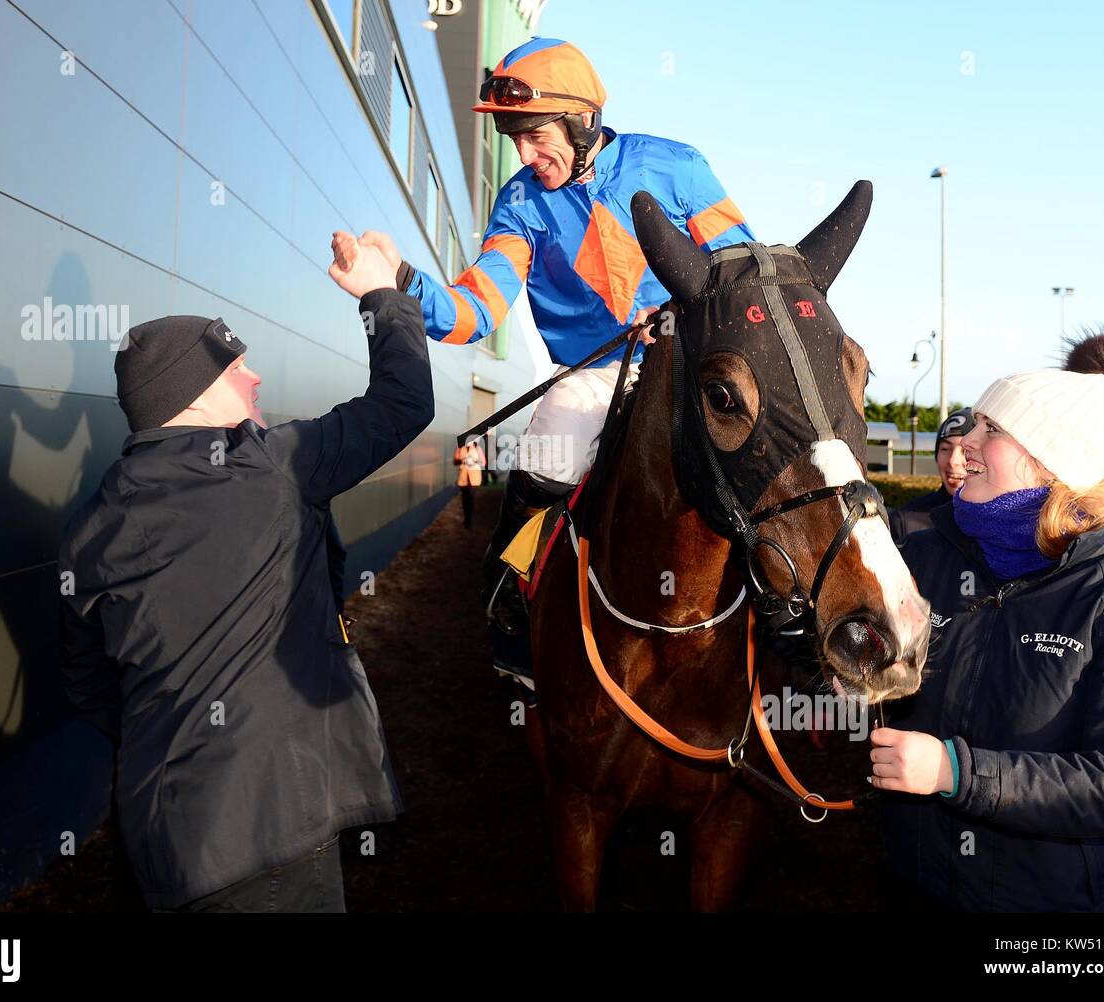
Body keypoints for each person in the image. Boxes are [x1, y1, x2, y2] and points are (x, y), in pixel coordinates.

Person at [333, 38, 756, 678]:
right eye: (514, 138)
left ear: (583, 119)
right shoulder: (520, 203)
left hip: (691, 362)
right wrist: (399, 280)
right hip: (595, 377)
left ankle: (794, 618)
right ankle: (510, 595)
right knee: (551, 445)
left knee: (781, 450)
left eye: (535, 136)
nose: (526, 155)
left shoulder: (675, 166)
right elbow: (474, 312)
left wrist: (684, 317)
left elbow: (741, 272)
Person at [58, 238, 432, 912]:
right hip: (271, 830)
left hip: (160, 841)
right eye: (237, 370)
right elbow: (404, 402)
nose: (256, 380)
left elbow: (89, 687)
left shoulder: (90, 529)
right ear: (195, 399)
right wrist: (383, 296)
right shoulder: (270, 466)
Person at [870, 331, 1104, 912]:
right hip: (920, 887)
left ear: (1048, 463)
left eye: (991, 430)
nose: (964, 445)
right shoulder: (925, 560)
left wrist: (955, 772)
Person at [887, 406, 971, 545]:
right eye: (945, 448)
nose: (952, 461)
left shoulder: (1007, 524)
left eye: (966, 450)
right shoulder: (905, 522)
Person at [454, 436, 487, 529]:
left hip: (474, 477)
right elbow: (455, 460)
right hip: (463, 477)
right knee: (465, 498)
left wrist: (474, 461)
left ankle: (470, 520)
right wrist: (463, 460)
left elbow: (483, 462)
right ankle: (466, 519)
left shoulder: (477, 448)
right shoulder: (460, 448)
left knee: (471, 498)